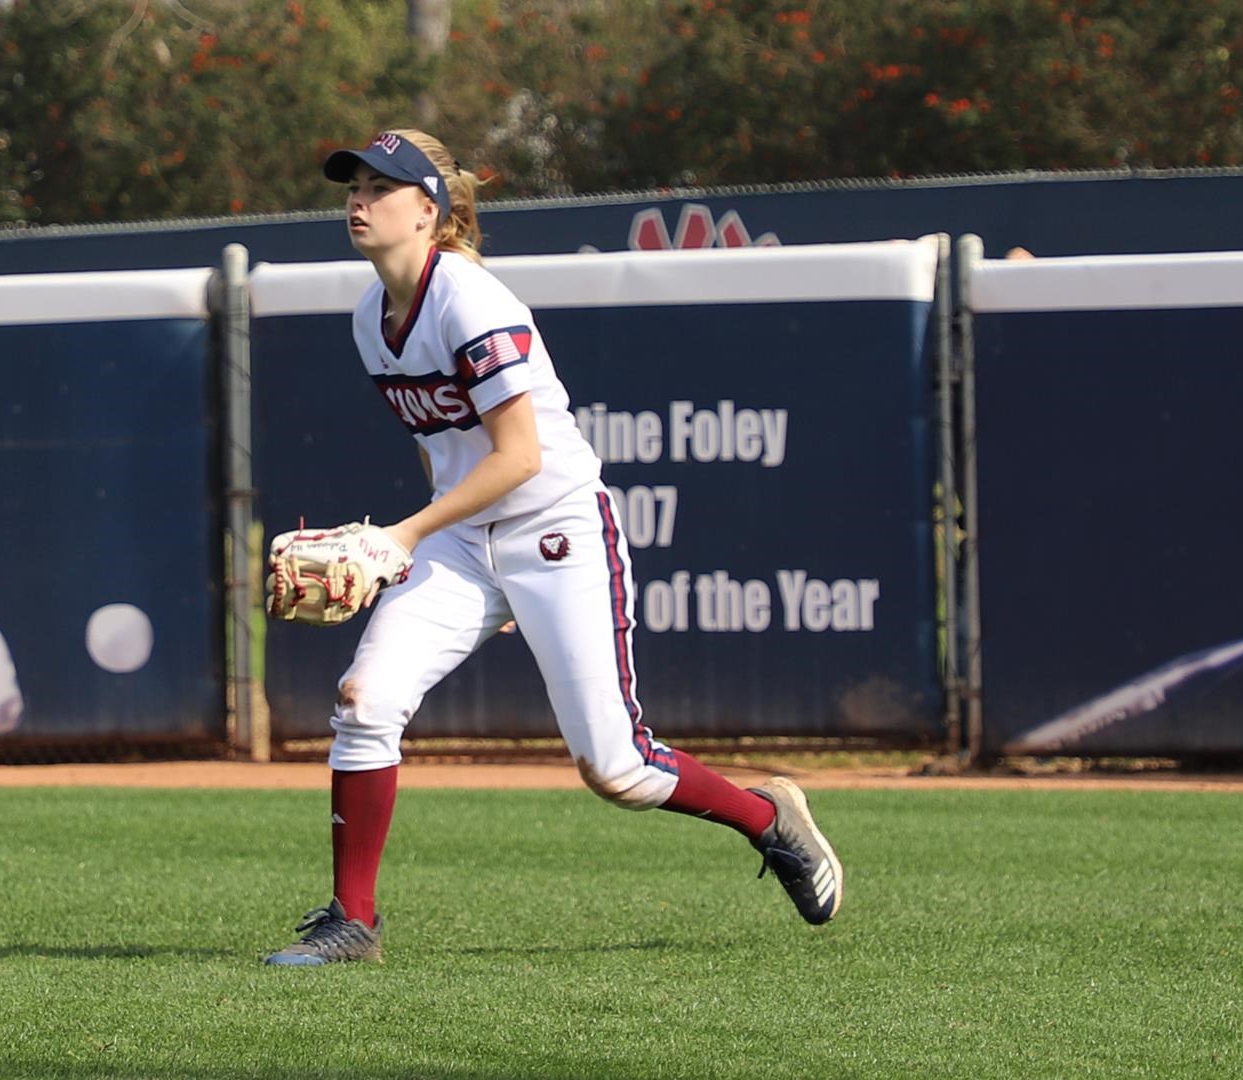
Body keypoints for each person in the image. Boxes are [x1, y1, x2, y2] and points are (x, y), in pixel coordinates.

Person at [263, 129, 844, 967]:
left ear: (427, 211)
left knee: (618, 770)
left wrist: (401, 537)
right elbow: (442, 446)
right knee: (364, 698)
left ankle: (768, 817)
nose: (357, 200)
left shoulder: (470, 300)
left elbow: (521, 456)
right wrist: (445, 558)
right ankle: (354, 922)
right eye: (351, 185)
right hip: (463, 539)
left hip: (557, 529)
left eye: (378, 188)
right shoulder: (369, 317)